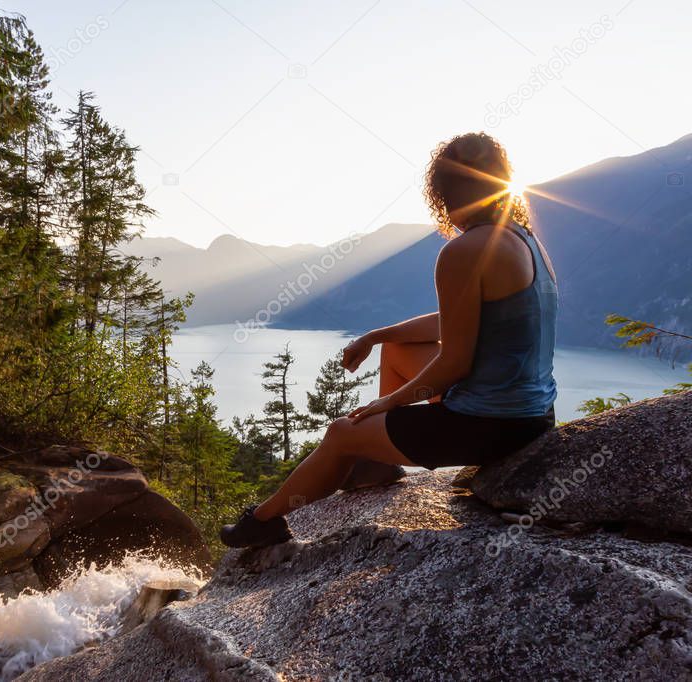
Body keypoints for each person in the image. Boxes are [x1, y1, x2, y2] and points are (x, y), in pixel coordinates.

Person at [221, 132, 558, 548]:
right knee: (396, 350)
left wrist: (387, 404)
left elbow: (455, 364)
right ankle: (378, 464)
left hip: (490, 426)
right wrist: (377, 336)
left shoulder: (465, 250)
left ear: (444, 194)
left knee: (343, 432)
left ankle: (263, 522)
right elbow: (456, 321)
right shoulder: (524, 240)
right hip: (533, 415)